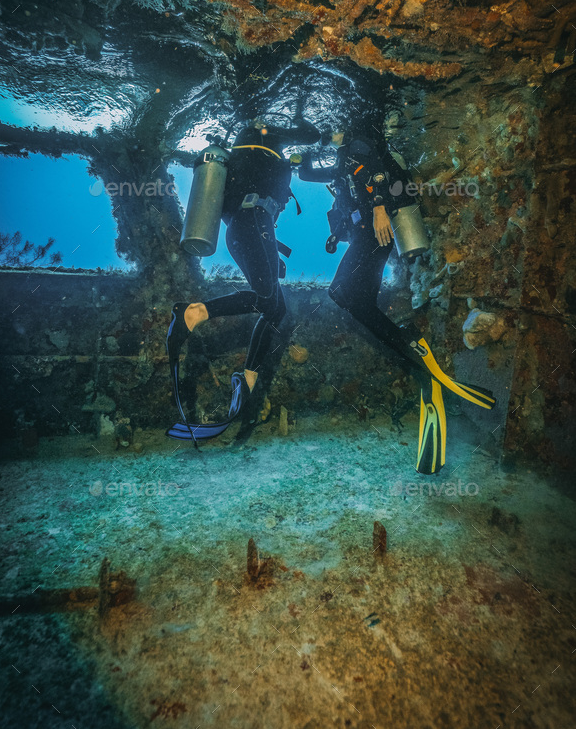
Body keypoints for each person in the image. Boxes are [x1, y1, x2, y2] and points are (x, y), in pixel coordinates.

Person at [299, 118, 496, 473]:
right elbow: (314, 177)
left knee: (343, 293)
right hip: (368, 232)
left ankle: (415, 349)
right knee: (353, 300)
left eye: (330, 129)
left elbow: (375, 170)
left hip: (377, 229)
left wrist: (376, 208)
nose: (329, 135)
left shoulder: (356, 142)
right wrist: (304, 161)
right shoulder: (342, 159)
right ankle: (417, 354)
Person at [167, 117, 320, 441]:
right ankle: (195, 313)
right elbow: (311, 134)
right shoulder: (264, 137)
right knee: (267, 300)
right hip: (251, 224)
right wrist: (299, 114)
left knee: (276, 310)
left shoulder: (246, 155)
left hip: (246, 229)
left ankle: (247, 378)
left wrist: (271, 253)